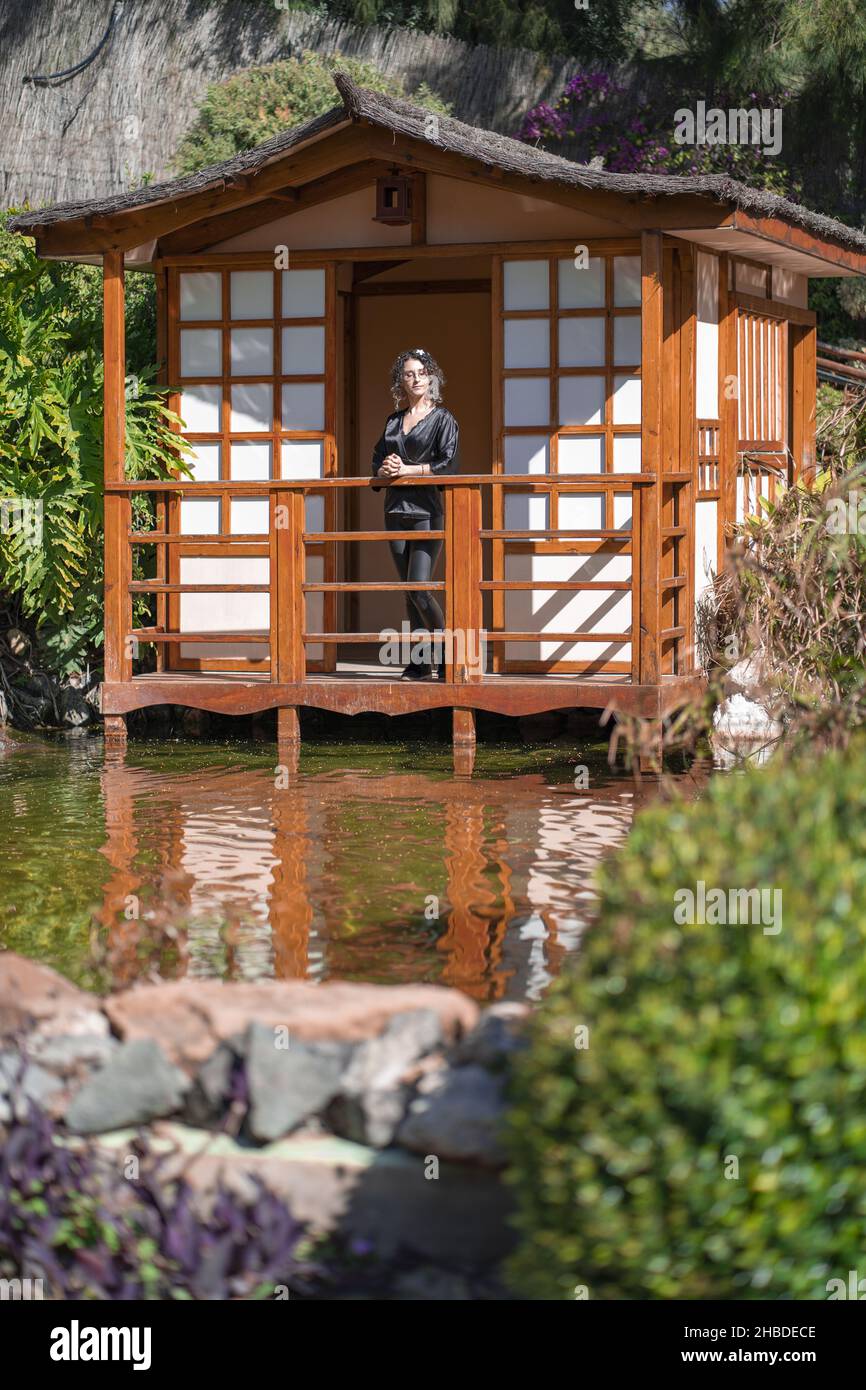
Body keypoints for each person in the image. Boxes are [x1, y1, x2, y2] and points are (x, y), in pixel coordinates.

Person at [371, 349, 459, 679]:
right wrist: (386, 467)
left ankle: (448, 654)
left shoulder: (443, 419)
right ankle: (421, 662)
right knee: (408, 590)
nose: (416, 378)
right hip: (395, 509)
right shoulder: (392, 422)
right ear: (400, 381)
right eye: (409, 373)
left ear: (431, 377)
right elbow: (377, 461)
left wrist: (409, 469)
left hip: (426, 510)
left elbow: (448, 465)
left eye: (422, 372)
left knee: (419, 586)